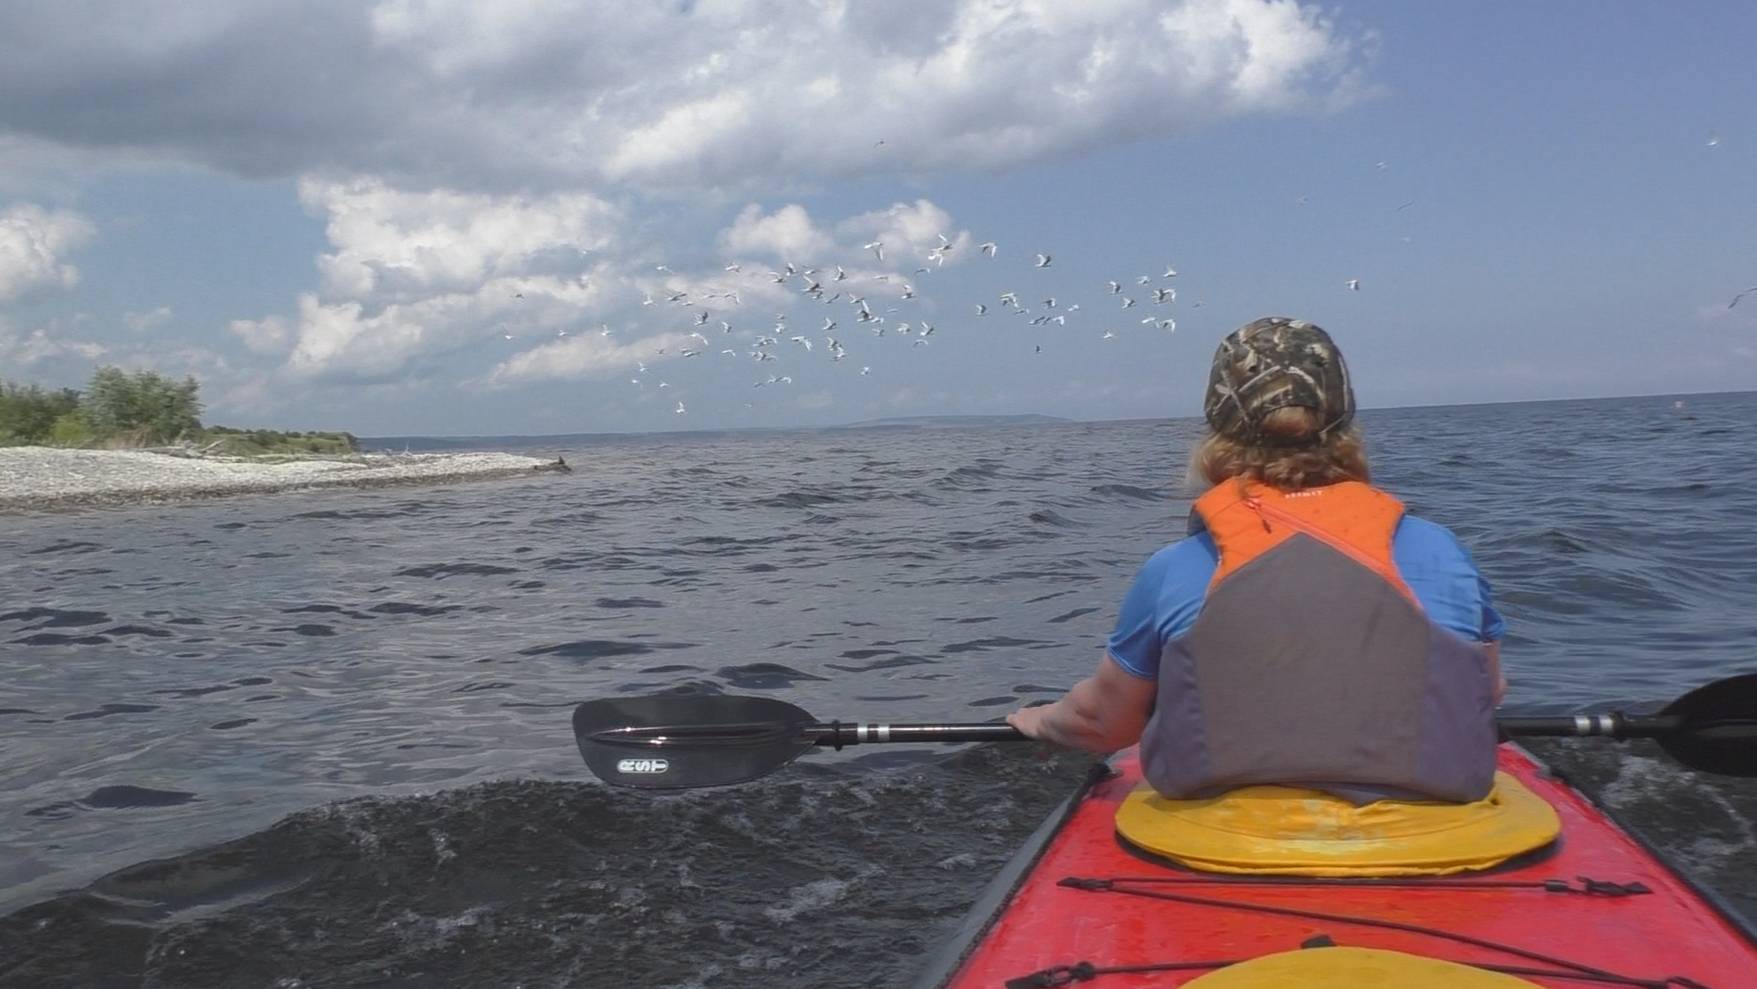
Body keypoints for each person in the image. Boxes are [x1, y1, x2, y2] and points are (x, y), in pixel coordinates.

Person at [1008, 317, 1507, 804]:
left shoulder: (1175, 567)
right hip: (1432, 815)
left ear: (1217, 429)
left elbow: (1105, 724)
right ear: (1344, 422)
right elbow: (1487, 689)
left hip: (1223, 831)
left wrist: (1041, 719)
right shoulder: (1442, 548)